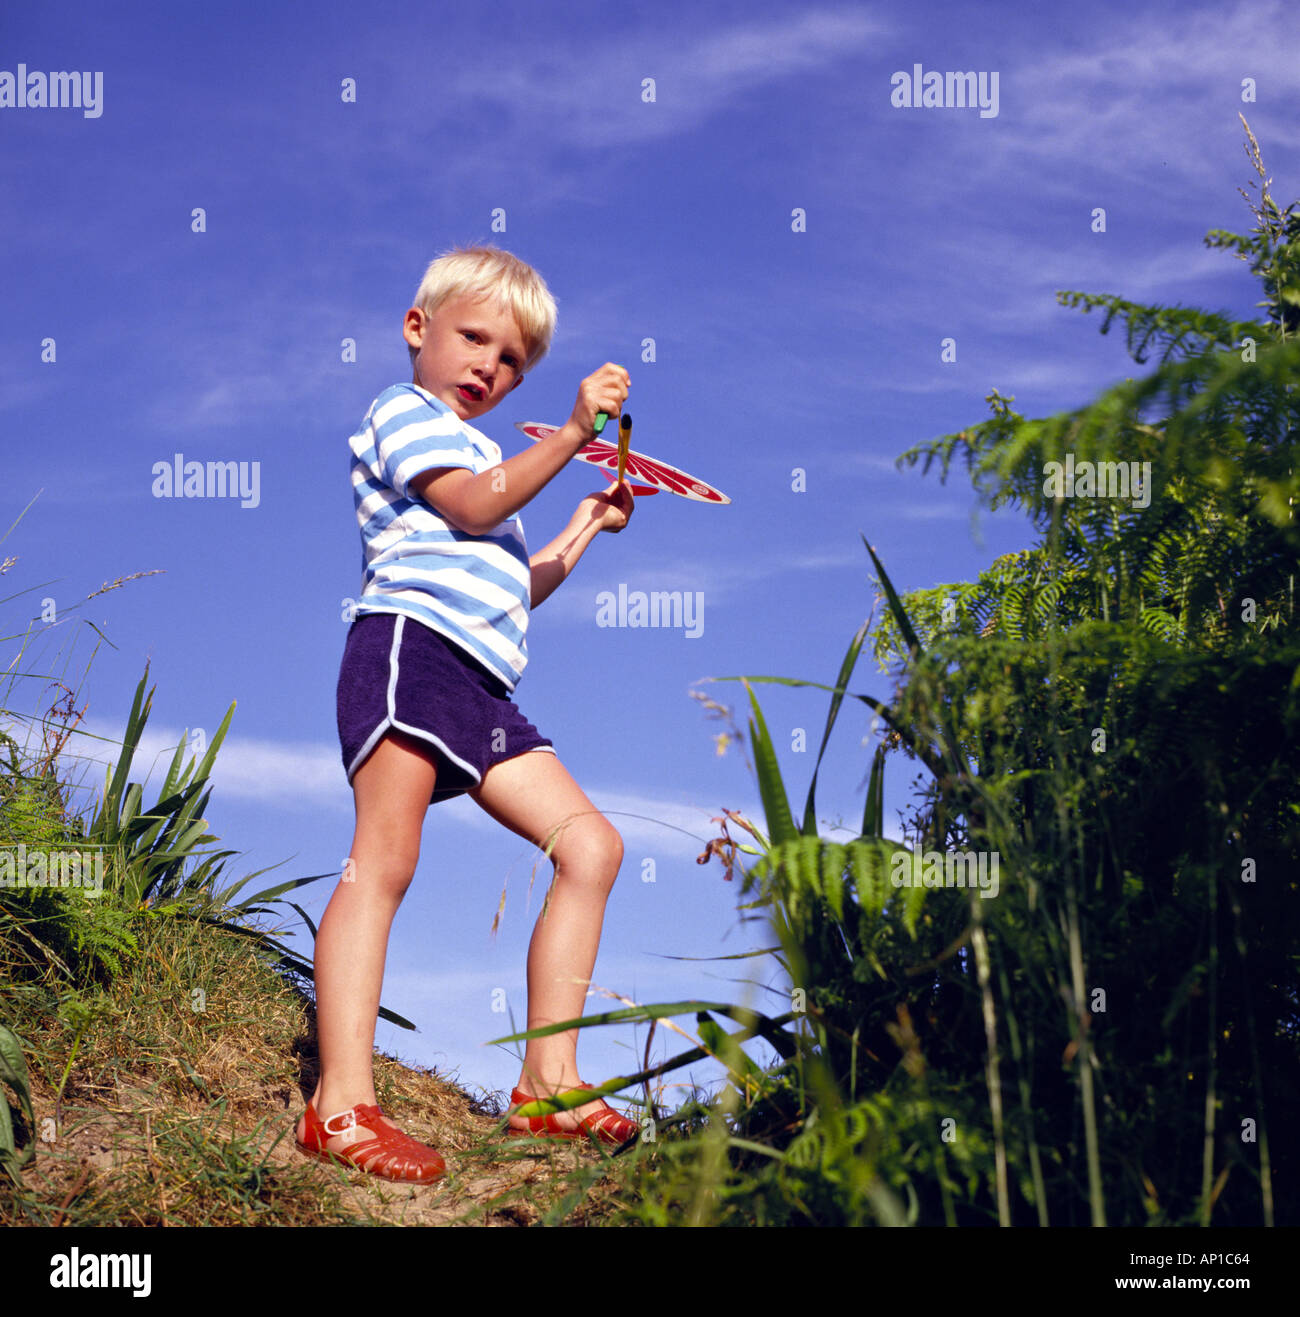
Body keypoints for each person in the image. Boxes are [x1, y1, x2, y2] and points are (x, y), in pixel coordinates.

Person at [294, 245, 639, 1182]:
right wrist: (570, 432)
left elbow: (511, 586)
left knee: (591, 848)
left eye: (512, 358)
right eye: (474, 337)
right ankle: (341, 1105)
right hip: (408, 651)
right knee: (386, 859)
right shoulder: (403, 415)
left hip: (482, 684)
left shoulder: (492, 457)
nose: (490, 364)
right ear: (419, 330)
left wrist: (583, 526)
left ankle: (548, 1084)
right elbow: (475, 506)